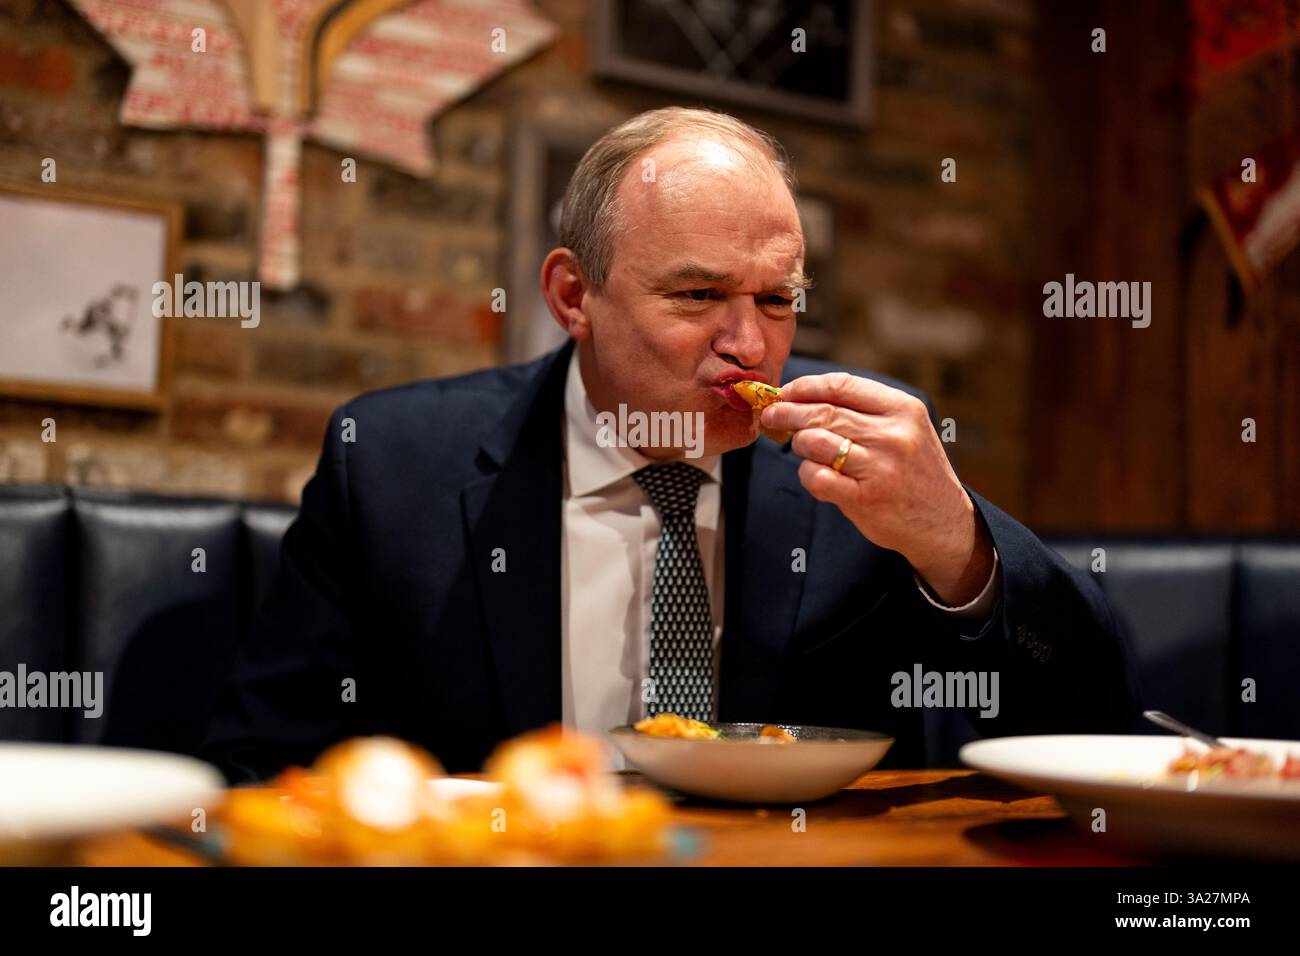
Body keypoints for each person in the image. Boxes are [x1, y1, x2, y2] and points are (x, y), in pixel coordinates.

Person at [203, 107, 1138, 782]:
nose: (750, 344)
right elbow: (265, 761)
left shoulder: (861, 456)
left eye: (778, 299)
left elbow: (1094, 724)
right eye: (697, 297)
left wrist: (958, 544)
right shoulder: (394, 464)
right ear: (574, 296)